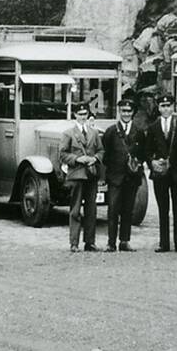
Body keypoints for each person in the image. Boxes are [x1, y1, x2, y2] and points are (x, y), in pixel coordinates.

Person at [144, 93, 177, 252]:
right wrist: (153, 162)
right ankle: (163, 243)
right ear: (159, 108)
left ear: (173, 107)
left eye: (168, 106)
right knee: (162, 209)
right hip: (160, 175)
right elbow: (147, 150)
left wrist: (175, 164)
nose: (166, 109)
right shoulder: (153, 127)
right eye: (163, 106)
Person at [59, 102, 103, 253]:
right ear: (75, 115)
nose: (83, 117)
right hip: (76, 175)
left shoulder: (94, 133)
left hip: (91, 175)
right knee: (75, 210)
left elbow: (101, 150)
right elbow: (63, 154)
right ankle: (74, 243)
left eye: (85, 115)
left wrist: (95, 159)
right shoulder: (68, 134)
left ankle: (90, 242)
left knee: (91, 210)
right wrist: (77, 159)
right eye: (80, 114)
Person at [101, 97, 143, 251]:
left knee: (128, 209)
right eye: (123, 111)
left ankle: (124, 241)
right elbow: (105, 155)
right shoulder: (111, 131)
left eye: (129, 111)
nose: (126, 114)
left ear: (133, 113)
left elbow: (143, 153)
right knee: (112, 209)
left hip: (131, 179)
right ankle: (111, 243)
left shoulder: (138, 132)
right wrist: (112, 171)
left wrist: (136, 164)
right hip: (115, 178)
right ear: (119, 112)